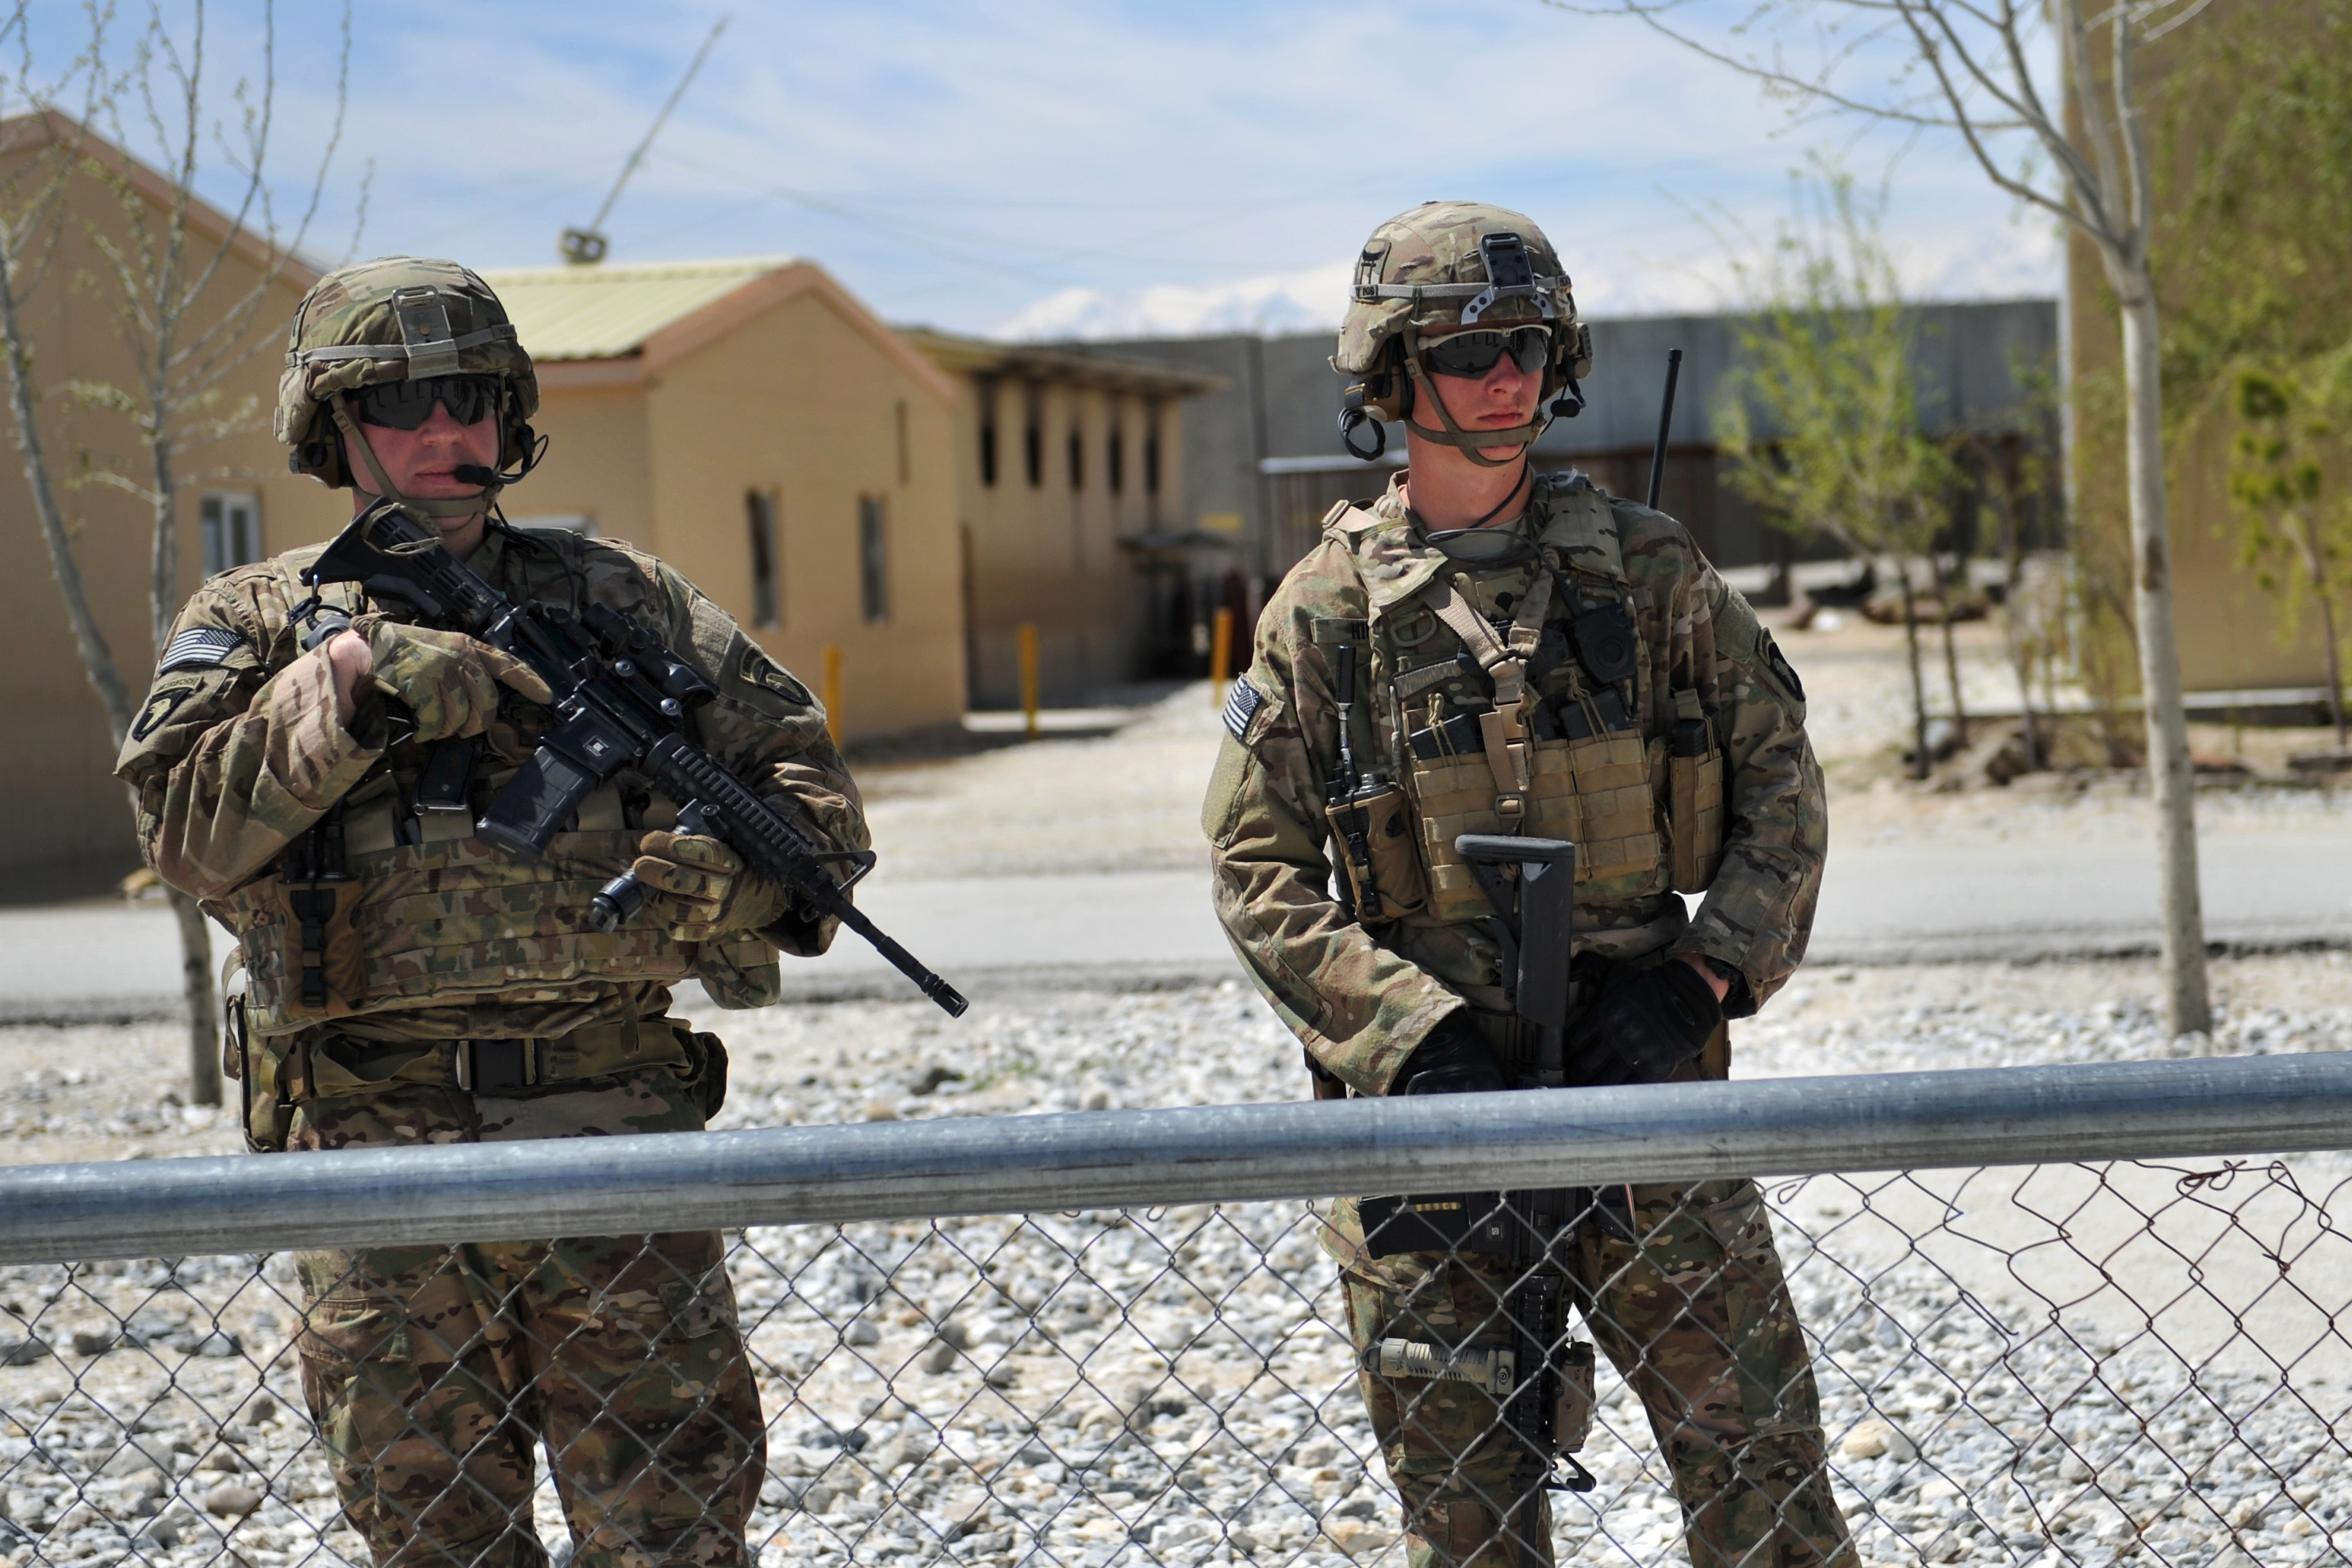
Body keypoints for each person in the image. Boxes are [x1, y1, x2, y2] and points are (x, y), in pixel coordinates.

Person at [117, 257, 865, 1568]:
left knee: (674, 1533)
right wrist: (341, 688)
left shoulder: (623, 599)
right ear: (332, 429)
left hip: (614, 1134)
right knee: (434, 1541)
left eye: (468, 396)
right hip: (372, 1148)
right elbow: (179, 832)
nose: (441, 433)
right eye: (399, 405)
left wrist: (745, 875)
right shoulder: (254, 620)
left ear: (512, 413)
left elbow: (814, 801)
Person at [1203, 202, 1849, 1568]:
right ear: (1393, 371)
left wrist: (1699, 976)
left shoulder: (1650, 571)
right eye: (1469, 346)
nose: (1505, 373)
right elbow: (1257, 869)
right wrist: (1407, 1033)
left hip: (1641, 1105)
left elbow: (1783, 791)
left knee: (1768, 1497)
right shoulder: (1323, 613)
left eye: (1528, 342)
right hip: (1427, 1143)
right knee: (1472, 1534)